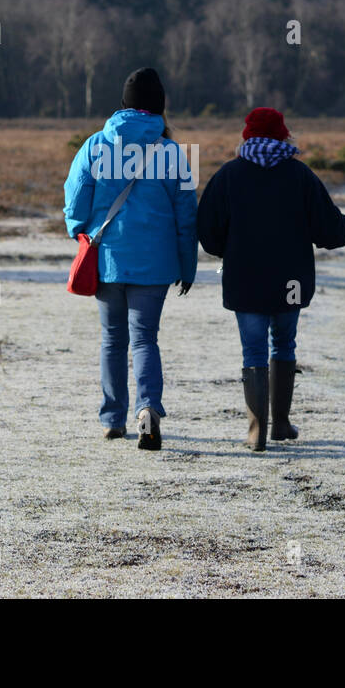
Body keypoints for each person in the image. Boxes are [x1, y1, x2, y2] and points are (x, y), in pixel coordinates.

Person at [196, 107, 345, 451]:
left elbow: (207, 232)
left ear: (247, 136)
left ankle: (256, 432)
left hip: (245, 279)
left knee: (252, 349)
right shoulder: (300, 176)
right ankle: (280, 424)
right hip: (290, 281)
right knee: (284, 344)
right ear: (284, 135)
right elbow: (329, 229)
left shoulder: (228, 175)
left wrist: (229, 249)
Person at [64, 67, 197, 450]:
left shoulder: (94, 145)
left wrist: (80, 233)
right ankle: (148, 410)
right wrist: (187, 266)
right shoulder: (172, 153)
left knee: (111, 341)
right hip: (155, 266)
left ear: (122, 104)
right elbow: (187, 216)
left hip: (107, 260)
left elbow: (75, 201)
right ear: (159, 108)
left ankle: (111, 419)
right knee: (144, 341)